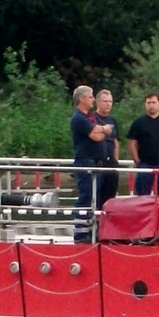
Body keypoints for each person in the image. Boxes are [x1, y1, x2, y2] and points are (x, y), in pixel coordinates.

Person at [70, 85, 108, 241]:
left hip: (95, 163)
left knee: (95, 197)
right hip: (85, 162)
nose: (93, 99)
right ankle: (81, 233)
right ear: (82, 99)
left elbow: (99, 132)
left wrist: (101, 130)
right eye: (91, 96)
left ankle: (92, 230)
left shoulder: (90, 116)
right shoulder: (79, 118)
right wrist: (104, 130)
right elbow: (96, 136)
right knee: (86, 196)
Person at [127, 93, 159, 196]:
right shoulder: (138, 123)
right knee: (142, 196)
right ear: (145, 104)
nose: (151, 105)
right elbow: (132, 143)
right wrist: (137, 161)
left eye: (154, 102)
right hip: (145, 164)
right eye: (149, 103)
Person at [92, 89, 121, 203]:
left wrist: (116, 160)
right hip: (98, 161)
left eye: (110, 101)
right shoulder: (92, 118)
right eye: (105, 101)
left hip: (111, 161)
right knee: (97, 192)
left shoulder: (112, 120)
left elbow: (115, 141)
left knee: (110, 194)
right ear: (97, 102)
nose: (108, 104)